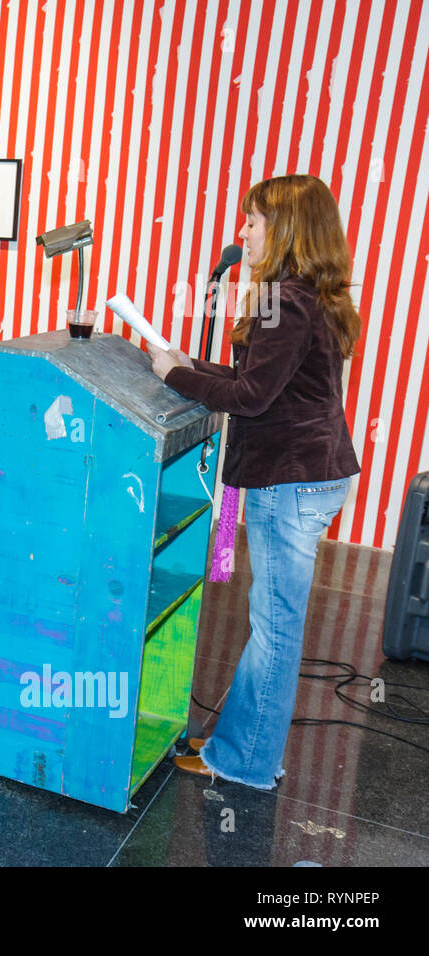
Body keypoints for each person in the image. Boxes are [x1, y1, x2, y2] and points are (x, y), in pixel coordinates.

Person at [151, 174, 361, 790]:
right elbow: (271, 381)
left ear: (286, 230)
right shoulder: (306, 296)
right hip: (307, 476)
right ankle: (242, 742)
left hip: (287, 482)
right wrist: (196, 367)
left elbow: (250, 397)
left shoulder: (288, 303)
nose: (243, 232)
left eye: (253, 222)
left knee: (274, 625)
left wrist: (174, 376)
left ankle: (247, 762)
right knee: (273, 619)